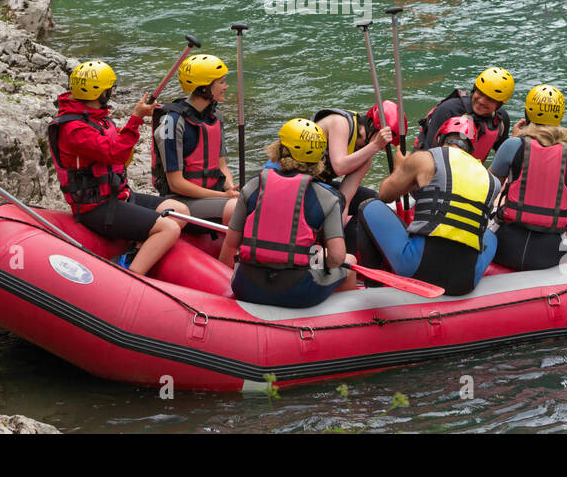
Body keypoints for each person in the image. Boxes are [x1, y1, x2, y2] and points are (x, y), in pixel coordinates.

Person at [48, 61, 189, 276]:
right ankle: (132, 275)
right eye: (110, 88)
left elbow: (117, 154)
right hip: (96, 208)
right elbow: (115, 153)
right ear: (100, 92)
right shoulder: (74, 130)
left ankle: (134, 252)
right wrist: (136, 118)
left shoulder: (95, 117)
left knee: (180, 211)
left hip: (119, 195)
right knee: (168, 228)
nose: (112, 92)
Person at [218, 119, 357, 308]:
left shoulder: (253, 186)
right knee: (349, 261)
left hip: (246, 287)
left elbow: (232, 242)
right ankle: (337, 316)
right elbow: (337, 257)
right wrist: (314, 259)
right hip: (298, 292)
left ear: (280, 150)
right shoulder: (328, 197)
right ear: (319, 157)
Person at [356, 116, 501, 296]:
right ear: (472, 149)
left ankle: (373, 288)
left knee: (369, 205)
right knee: (491, 237)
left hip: (416, 270)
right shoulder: (493, 182)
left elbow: (385, 195)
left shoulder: (424, 158)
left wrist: (400, 168)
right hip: (464, 282)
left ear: (439, 139)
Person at [488, 85, 567, 271]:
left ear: (527, 112)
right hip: (549, 256)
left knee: (499, 199)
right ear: (559, 116)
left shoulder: (512, 145)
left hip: (502, 248)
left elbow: (486, 188)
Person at [151, 54, 237, 228]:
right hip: (180, 201)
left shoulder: (215, 116)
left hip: (212, 194)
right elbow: (176, 184)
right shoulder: (173, 122)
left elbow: (221, 165)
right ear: (204, 88)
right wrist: (224, 197)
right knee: (238, 208)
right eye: (221, 82)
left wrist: (231, 188)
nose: (226, 87)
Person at [312, 101, 401, 216]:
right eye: (386, 142)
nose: (384, 148)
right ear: (372, 126)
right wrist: (375, 145)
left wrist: (339, 227)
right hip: (299, 184)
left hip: (320, 185)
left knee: (373, 201)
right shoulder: (340, 123)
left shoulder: (365, 158)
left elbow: (344, 200)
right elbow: (339, 166)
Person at [413, 66, 514, 164]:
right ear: (474, 90)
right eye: (480, 93)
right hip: (429, 167)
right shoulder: (449, 110)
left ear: (499, 104)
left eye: (490, 99)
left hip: (471, 171)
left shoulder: (500, 120)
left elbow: (504, 154)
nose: (481, 101)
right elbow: (429, 152)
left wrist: (515, 140)